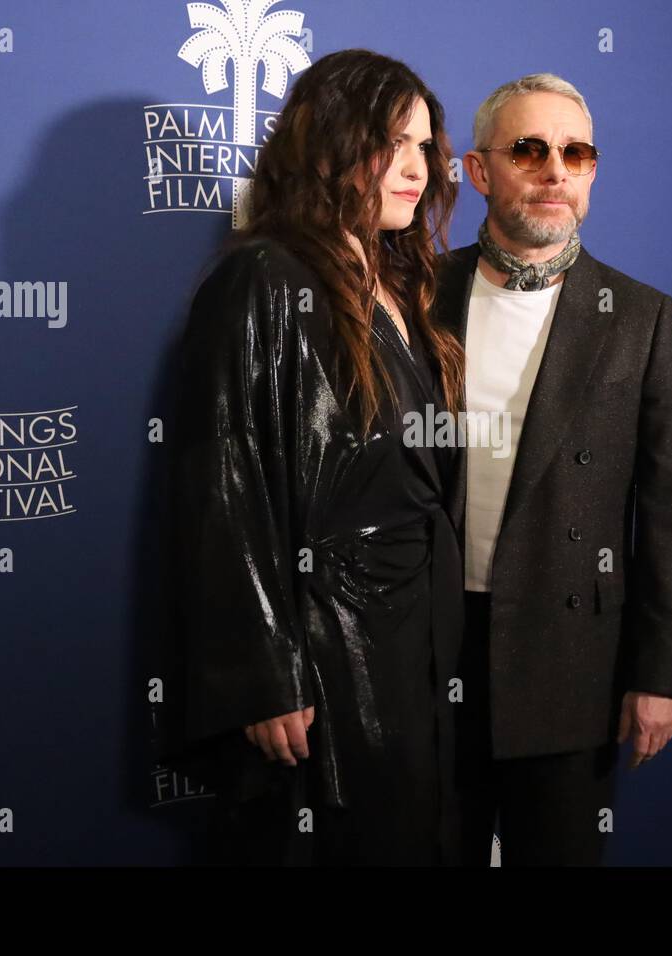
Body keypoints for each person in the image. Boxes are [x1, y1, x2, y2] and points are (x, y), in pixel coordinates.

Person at [160, 49, 466, 866]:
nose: (414, 166)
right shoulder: (264, 278)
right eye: (391, 142)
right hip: (323, 648)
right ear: (330, 142)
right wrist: (261, 676)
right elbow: (222, 485)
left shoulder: (402, 284)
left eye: (425, 146)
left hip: (414, 635)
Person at [434, 74, 672, 866]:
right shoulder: (417, 292)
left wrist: (658, 676)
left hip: (569, 658)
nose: (556, 170)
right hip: (430, 646)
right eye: (529, 149)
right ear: (479, 172)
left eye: (575, 152)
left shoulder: (644, 317)